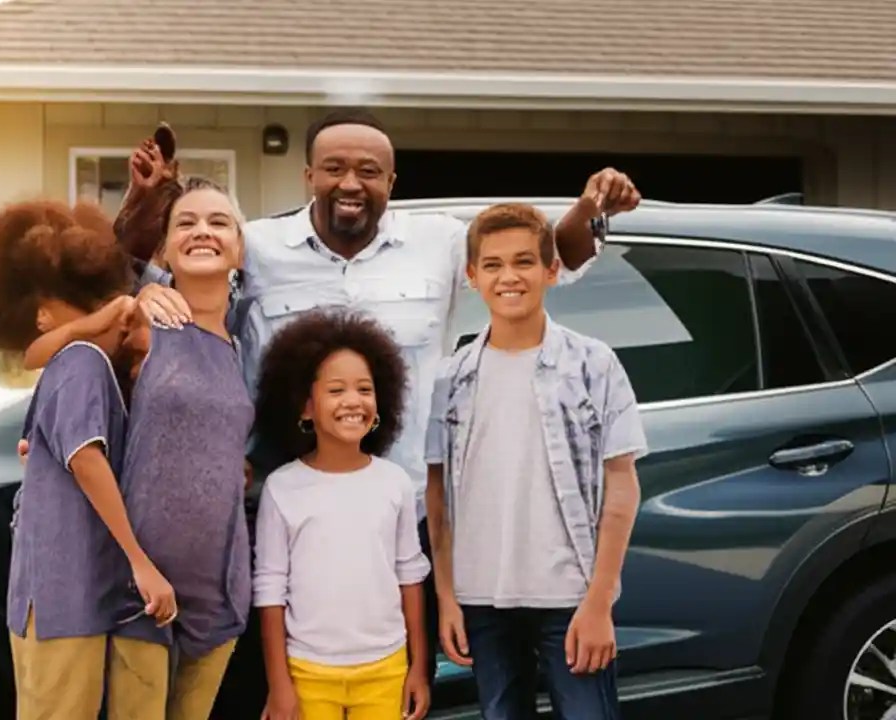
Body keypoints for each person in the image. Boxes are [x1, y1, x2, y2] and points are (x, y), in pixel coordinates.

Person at [126, 110, 642, 681]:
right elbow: (185, 299)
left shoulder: (443, 242)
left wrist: (590, 209)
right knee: (285, 685)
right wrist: (142, 287)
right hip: (283, 515)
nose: (351, 182)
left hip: (407, 516)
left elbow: (546, 258)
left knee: (393, 684)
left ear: (392, 184)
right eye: (334, 168)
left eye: (369, 171)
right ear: (308, 177)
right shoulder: (259, 246)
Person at [424, 203, 647, 719]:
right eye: (494, 265)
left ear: (551, 271)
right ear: (472, 276)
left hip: (570, 595)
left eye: (524, 262)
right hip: (481, 599)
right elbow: (438, 495)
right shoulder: (450, 379)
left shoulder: (593, 364)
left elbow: (622, 485)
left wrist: (599, 602)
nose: (509, 277)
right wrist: (449, 597)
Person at [0, 199, 175, 719]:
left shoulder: (73, 363)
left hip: (63, 592)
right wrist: (141, 561)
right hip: (65, 595)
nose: (38, 316)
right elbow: (87, 461)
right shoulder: (82, 361)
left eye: (49, 301)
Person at [99, 176, 254, 719]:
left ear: (240, 247)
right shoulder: (141, 323)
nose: (203, 232)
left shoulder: (245, 344)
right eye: (185, 223)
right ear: (164, 250)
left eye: (219, 222)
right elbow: (66, 369)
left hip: (219, 589)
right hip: (142, 587)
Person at [252, 309, 432, 720]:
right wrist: (280, 686)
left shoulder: (395, 483)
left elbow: (410, 576)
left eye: (364, 389)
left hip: (385, 669)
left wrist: (417, 668)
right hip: (307, 672)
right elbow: (269, 590)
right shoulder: (282, 489)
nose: (353, 401)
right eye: (336, 390)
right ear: (304, 407)